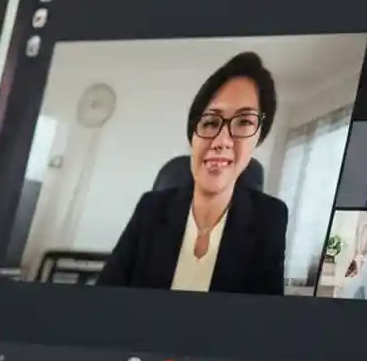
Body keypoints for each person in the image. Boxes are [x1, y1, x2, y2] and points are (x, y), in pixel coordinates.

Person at [97, 52, 288, 294]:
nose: (222, 140)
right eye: (210, 122)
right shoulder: (149, 208)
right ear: (193, 135)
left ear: (258, 138)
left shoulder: (270, 219)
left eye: (244, 122)